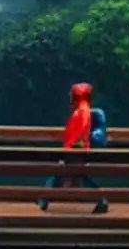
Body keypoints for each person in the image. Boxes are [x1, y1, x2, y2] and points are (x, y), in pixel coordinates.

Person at [38, 83, 109, 214]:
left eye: (72, 95)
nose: (70, 97)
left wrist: (70, 155)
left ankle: (43, 199)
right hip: (82, 154)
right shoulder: (86, 112)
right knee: (71, 175)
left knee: (62, 173)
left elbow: (80, 138)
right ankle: (43, 198)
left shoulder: (81, 113)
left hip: (78, 155)